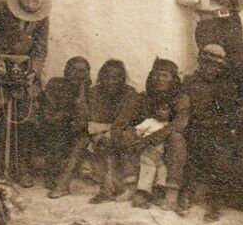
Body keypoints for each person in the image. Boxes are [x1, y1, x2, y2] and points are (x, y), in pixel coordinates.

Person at [0, 0, 51, 173]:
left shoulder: (42, 14)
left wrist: (34, 69)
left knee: (27, 118)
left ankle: (22, 167)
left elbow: (41, 46)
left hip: (26, 69)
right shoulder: (1, 9)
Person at [50, 59, 139, 201]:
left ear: (122, 79)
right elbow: (87, 119)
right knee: (82, 139)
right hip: (95, 135)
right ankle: (63, 182)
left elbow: (122, 122)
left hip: (119, 135)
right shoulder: (94, 92)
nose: (110, 81)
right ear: (100, 77)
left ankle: (107, 188)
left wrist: (99, 132)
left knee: (110, 139)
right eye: (106, 76)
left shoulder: (130, 93)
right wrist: (81, 96)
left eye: (115, 77)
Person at [182, 43, 243, 221]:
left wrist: (214, 122)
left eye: (215, 65)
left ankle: (215, 201)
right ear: (200, 62)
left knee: (220, 151)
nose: (210, 68)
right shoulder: (190, 81)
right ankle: (186, 193)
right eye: (206, 63)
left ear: (221, 67)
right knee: (193, 145)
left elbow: (231, 114)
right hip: (194, 126)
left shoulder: (227, 86)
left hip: (218, 129)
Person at [118, 59, 191, 213]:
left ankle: (171, 194)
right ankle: (131, 187)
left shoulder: (180, 99)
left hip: (167, 146)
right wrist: (131, 134)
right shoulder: (141, 97)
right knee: (126, 134)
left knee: (177, 138)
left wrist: (149, 140)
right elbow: (122, 121)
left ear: (173, 79)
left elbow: (179, 123)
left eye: (165, 75)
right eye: (156, 75)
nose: (160, 79)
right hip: (143, 145)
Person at [38, 57, 91, 190]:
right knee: (57, 131)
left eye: (81, 71)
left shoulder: (88, 90)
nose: (76, 74)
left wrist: (82, 90)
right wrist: (68, 114)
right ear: (65, 70)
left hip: (75, 128)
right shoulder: (55, 84)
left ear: (87, 74)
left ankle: (64, 176)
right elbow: (50, 116)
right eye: (72, 69)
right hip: (53, 127)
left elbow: (84, 117)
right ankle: (51, 175)